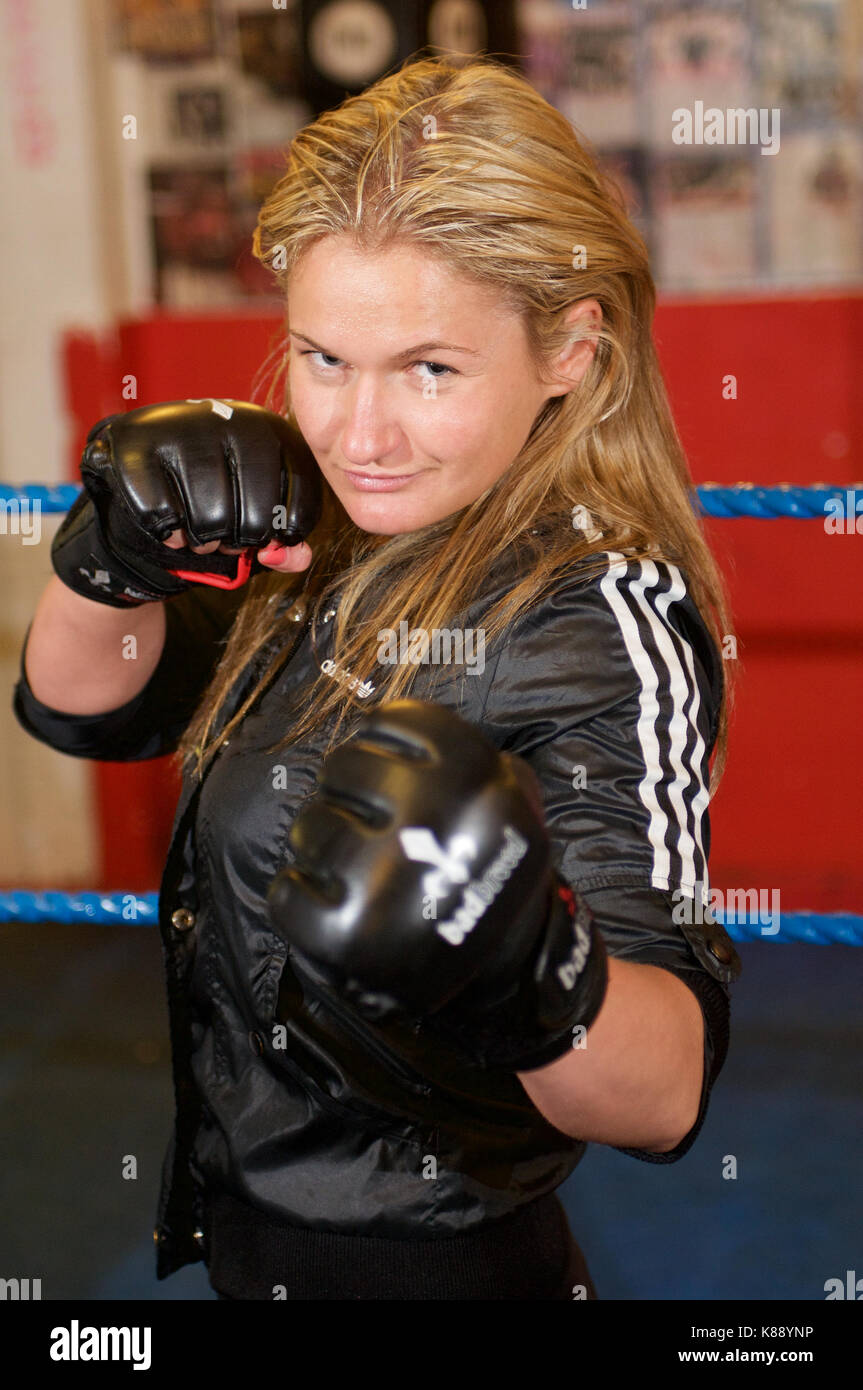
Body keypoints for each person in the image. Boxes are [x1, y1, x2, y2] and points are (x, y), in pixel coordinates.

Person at [13, 55, 742, 1301]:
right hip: (250, 1248)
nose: (358, 433)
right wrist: (108, 560)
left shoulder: (595, 616)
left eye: (429, 369)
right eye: (323, 357)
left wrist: (525, 965)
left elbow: (662, 1091)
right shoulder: (323, 524)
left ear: (570, 350)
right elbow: (87, 706)